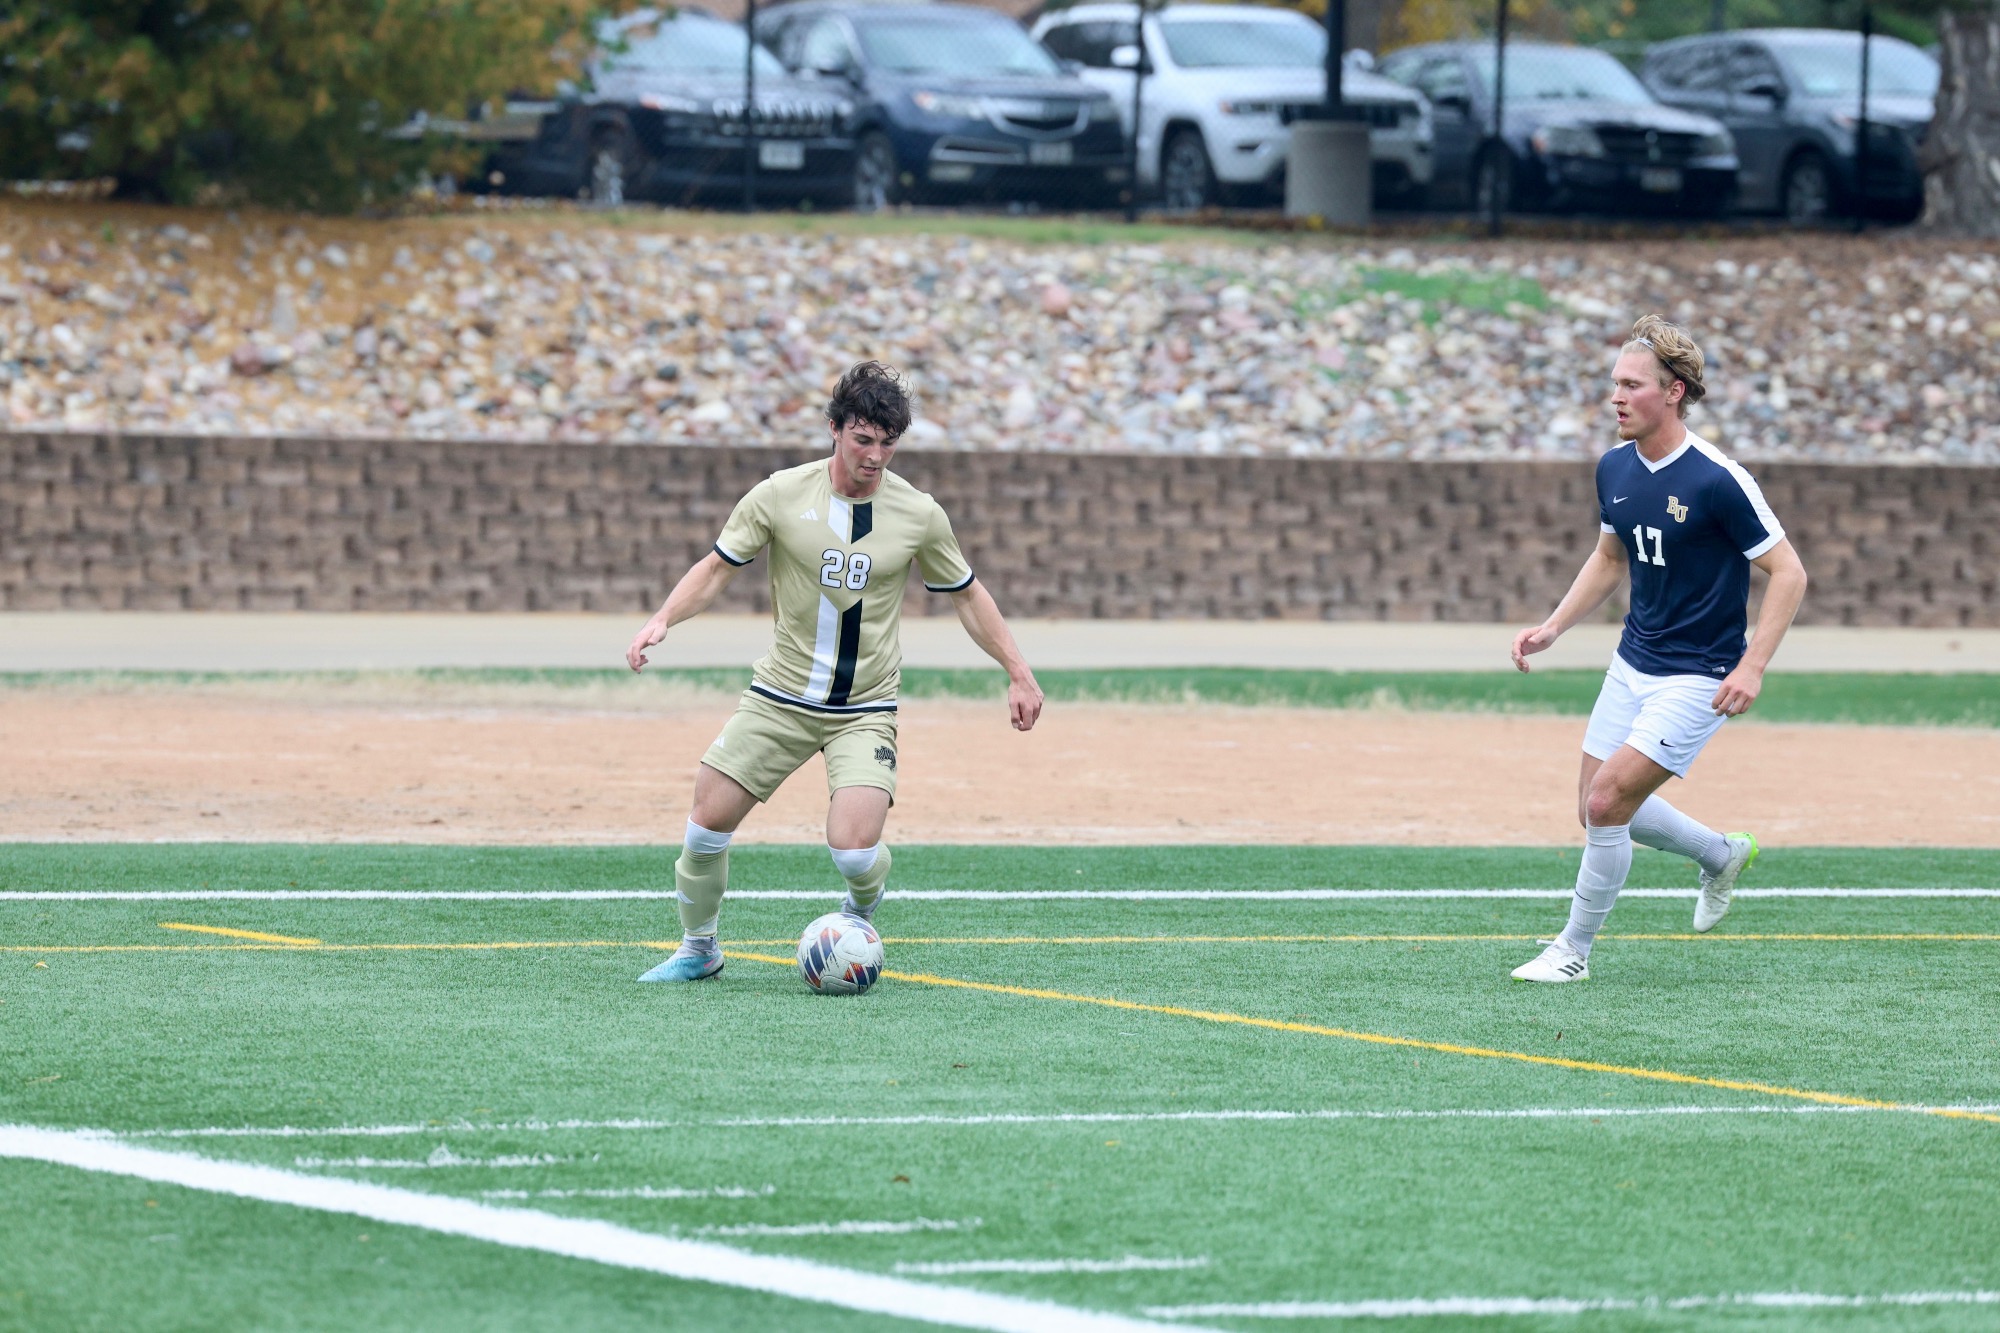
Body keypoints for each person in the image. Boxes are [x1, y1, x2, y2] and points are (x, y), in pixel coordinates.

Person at [626, 361, 1044, 982]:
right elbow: (716, 568)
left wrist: (1019, 671)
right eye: (864, 440)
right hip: (778, 698)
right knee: (705, 826)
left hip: (864, 709)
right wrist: (663, 619)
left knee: (853, 851)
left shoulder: (919, 513)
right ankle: (699, 951)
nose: (876, 456)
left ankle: (859, 914)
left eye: (888, 442)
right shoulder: (779, 494)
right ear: (835, 430)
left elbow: (967, 593)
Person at [1508, 315, 1809, 983]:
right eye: (1614, 382)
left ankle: (1572, 952)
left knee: (1609, 801)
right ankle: (1719, 852)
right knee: (1593, 806)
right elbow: (1609, 557)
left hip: (1697, 674)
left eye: (1632, 384)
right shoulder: (1614, 465)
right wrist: (1555, 626)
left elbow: (1789, 572)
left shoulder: (1717, 480)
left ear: (1673, 392)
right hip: (1632, 661)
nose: (1616, 396)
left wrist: (1751, 666)